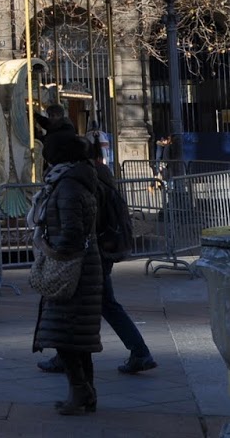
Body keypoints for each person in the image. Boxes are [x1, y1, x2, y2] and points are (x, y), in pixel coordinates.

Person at [39, 140, 156, 377]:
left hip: (89, 253)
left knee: (93, 303)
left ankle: (139, 351)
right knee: (93, 303)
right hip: (98, 250)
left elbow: (79, 223)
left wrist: (61, 253)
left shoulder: (82, 182)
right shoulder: (97, 175)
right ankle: (66, 355)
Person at [30, 130, 103, 416]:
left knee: (64, 335)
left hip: (72, 267)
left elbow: (71, 230)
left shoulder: (68, 185)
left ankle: (80, 391)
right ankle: (86, 393)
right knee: (76, 337)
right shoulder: (76, 178)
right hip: (84, 265)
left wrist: (54, 255)